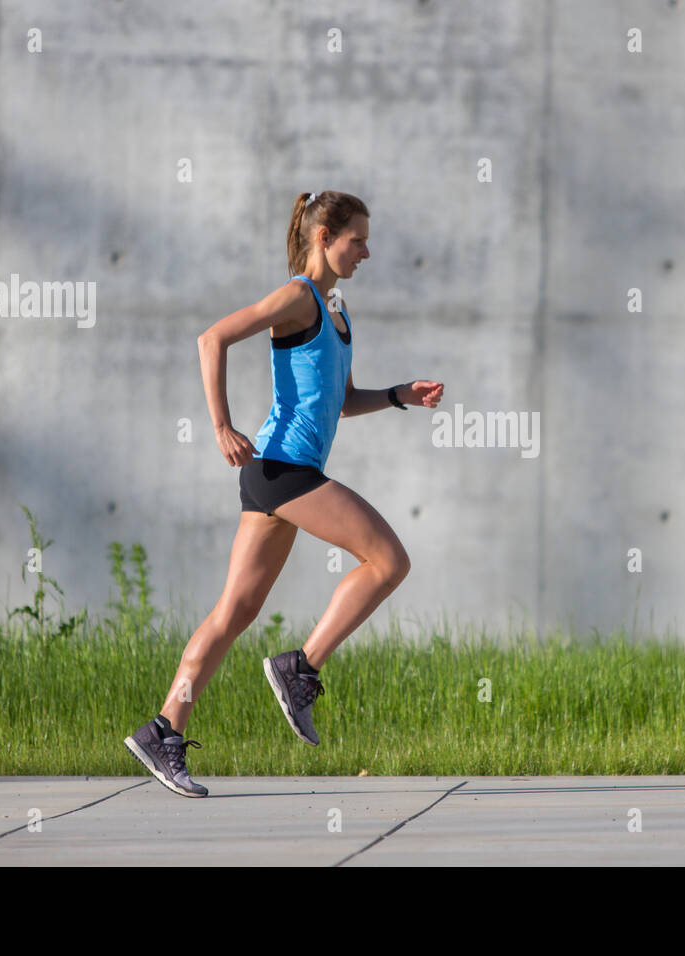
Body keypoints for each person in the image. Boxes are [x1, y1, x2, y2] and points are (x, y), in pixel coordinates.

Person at [125, 190, 444, 796]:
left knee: (233, 614)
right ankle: (299, 668)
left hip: (278, 475)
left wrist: (399, 394)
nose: (368, 252)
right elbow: (211, 339)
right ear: (324, 237)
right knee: (389, 561)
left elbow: (341, 402)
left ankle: (163, 729)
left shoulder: (336, 307)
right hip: (284, 469)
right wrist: (220, 424)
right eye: (358, 240)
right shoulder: (298, 296)